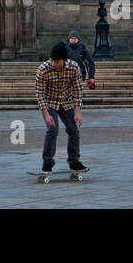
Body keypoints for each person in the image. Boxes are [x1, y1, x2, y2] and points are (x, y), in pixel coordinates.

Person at [35, 42, 86, 174]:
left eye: (56, 61)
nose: (52, 63)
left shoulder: (74, 68)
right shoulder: (43, 69)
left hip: (66, 102)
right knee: (53, 129)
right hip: (49, 103)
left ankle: (74, 162)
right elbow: (39, 94)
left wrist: (77, 112)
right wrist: (47, 115)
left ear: (64, 60)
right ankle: (47, 162)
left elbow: (78, 90)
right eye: (51, 59)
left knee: (74, 129)